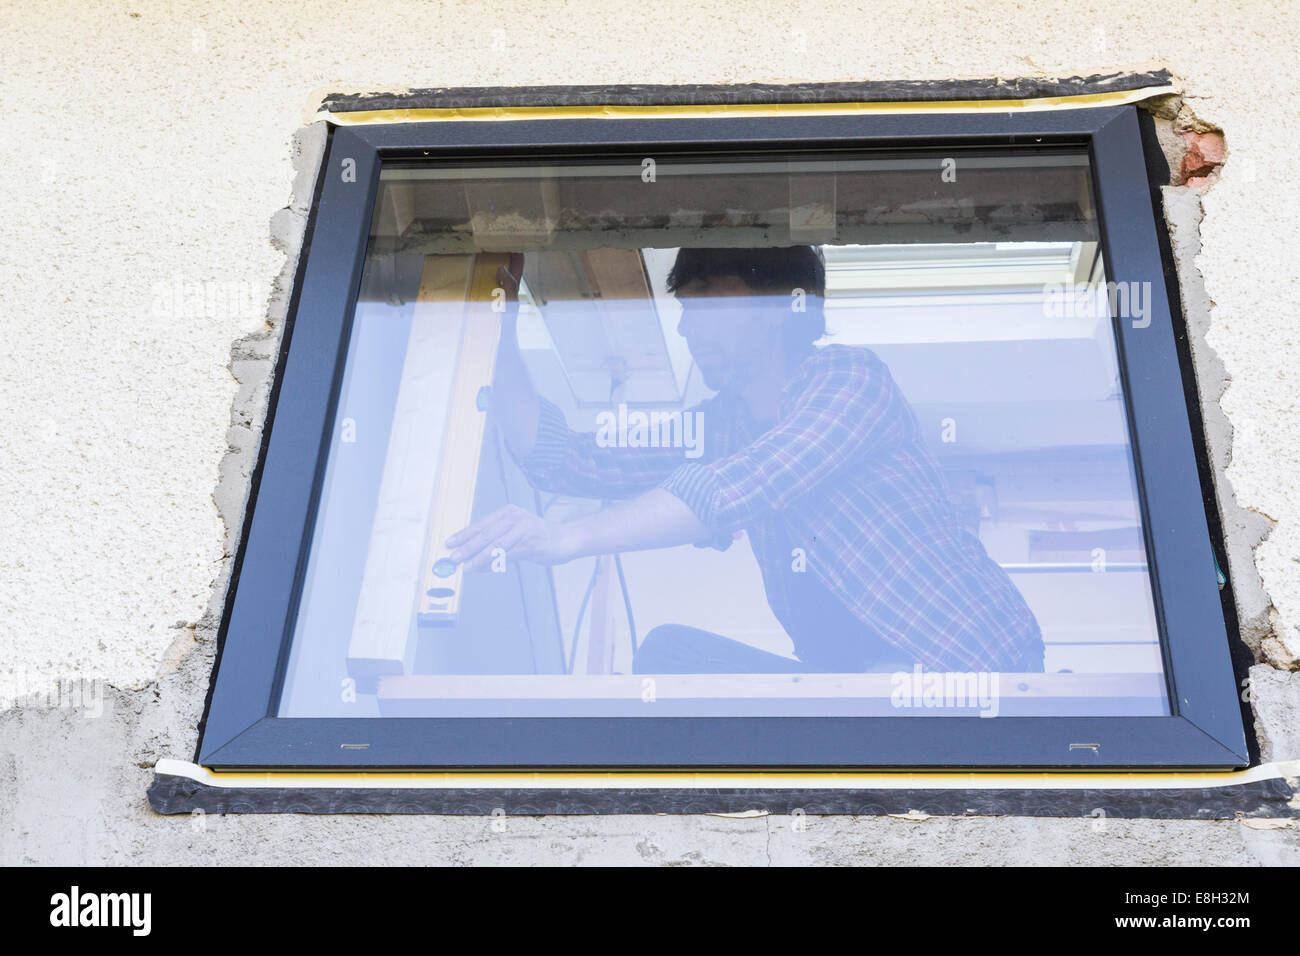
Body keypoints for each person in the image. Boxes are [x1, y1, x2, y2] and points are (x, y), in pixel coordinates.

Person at [446, 247, 1044, 674]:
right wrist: (496, 339)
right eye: (682, 302)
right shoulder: (722, 424)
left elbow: (749, 482)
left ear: (781, 305)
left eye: (705, 294)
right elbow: (570, 462)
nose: (684, 325)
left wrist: (566, 539)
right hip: (850, 688)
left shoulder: (848, 376)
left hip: (966, 666)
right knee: (670, 656)